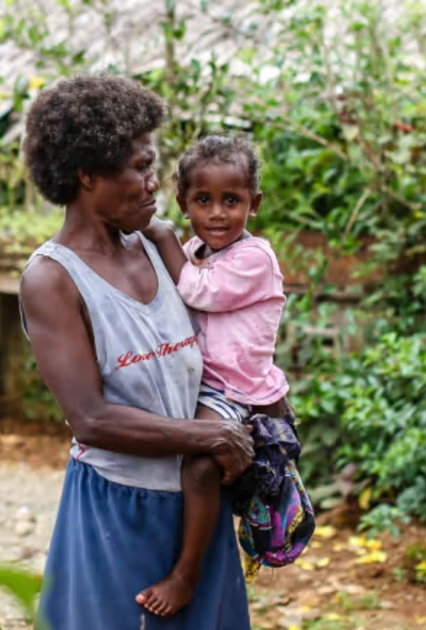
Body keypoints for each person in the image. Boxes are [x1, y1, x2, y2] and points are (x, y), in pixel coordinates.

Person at [17, 75, 254, 630]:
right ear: (87, 175)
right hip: (118, 509)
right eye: (142, 168)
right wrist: (212, 437)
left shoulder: (160, 243)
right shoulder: (53, 279)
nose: (155, 184)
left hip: (198, 507)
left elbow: (230, 336)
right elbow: (91, 419)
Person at [136, 135, 314, 617]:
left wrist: (163, 236)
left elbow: (199, 292)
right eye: (203, 201)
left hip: (236, 388)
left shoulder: (255, 258)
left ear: (253, 204)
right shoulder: (197, 247)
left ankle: (186, 574)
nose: (217, 213)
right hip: (204, 382)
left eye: (231, 201)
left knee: (197, 466)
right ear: (185, 203)